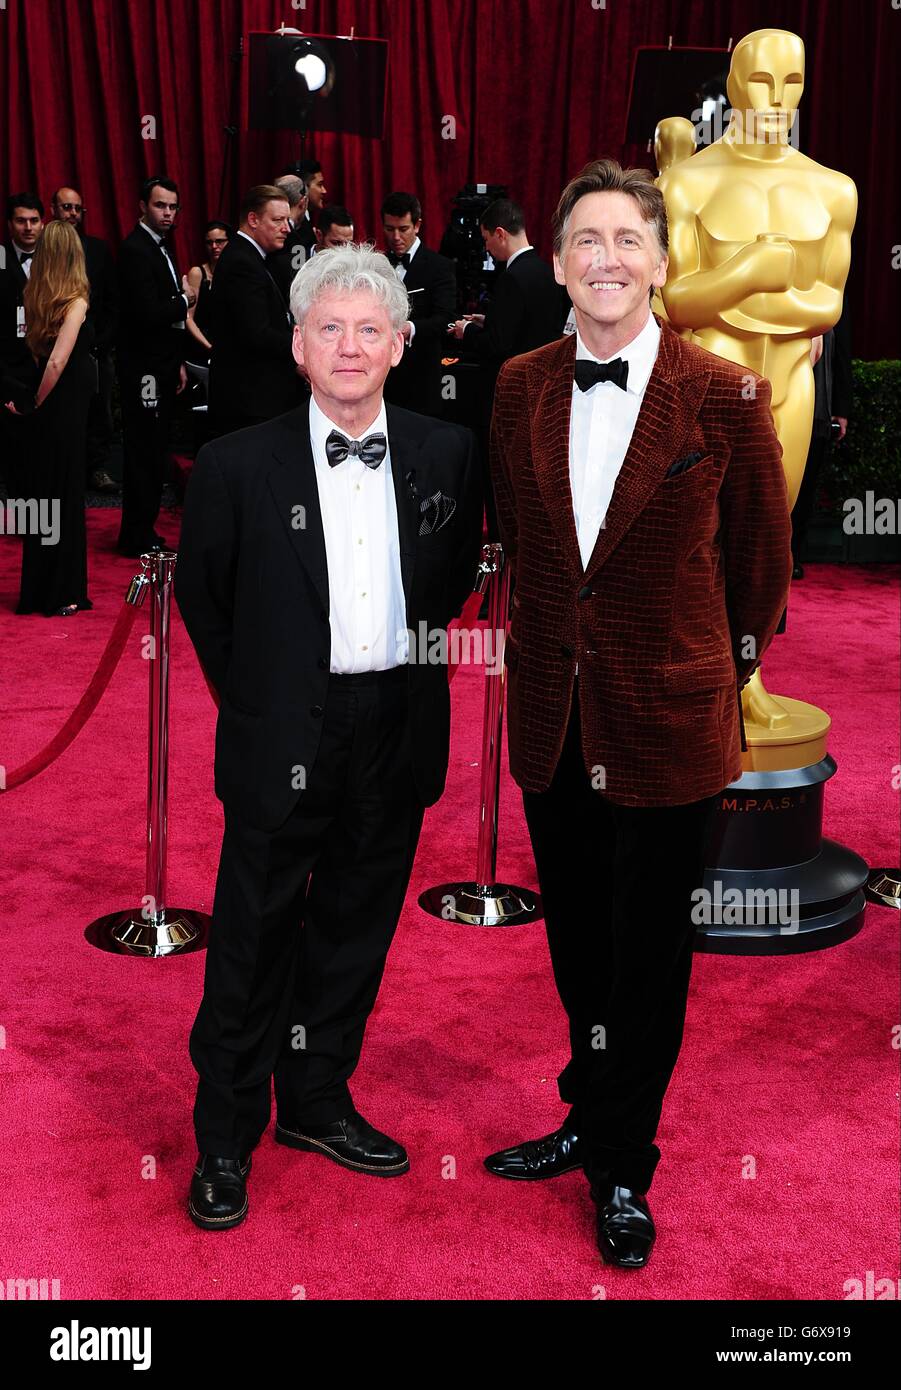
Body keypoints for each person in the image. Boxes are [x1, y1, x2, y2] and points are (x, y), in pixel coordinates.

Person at [487, 159, 793, 1268]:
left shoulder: (723, 392)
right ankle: (588, 1105)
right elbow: (525, 546)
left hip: (668, 722)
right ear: (559, 263)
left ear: (661, 264)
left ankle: (622, 1161)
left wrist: (709, 668)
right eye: (585, 241)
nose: (605, 259)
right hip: (554, 721)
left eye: (627, 240)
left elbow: (761, 571)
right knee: (578, 943)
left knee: (649, 958)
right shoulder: (519, 382)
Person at [175, 243, 482, 1231]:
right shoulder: (233, 464)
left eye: (370, 329)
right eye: (328, 328)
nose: (350, 346)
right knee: (254, 938)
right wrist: (263, 699)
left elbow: (450, 587)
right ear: (297, 345)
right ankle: (224, 1136)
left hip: (394, 724)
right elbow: (205, 600)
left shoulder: (445, 452)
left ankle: (314, 1099)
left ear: (400, 344)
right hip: (282, 727)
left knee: (355, 926)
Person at [450, 197, 565, 534]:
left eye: (486, 239)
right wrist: (489, 320)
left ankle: (501, 542)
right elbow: (530, 327)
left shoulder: (512, 277)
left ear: (500, 234)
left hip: (508, 397)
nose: (486, 248)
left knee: (501, 474)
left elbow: (498, 347)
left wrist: (467, 329)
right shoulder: (547, 272)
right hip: (543, 392)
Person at [3, 220, 95, 616]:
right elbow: (57, 361)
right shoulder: (76, 301)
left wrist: (31, 403)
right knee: (66, 497)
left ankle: (38, 590)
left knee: (43, 498)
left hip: (44, 412)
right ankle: (64, 593)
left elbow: (38, 355)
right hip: (61, 407)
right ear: (74, 255)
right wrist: (39, 400)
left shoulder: (34, 296)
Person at [115, 176, 195, 556]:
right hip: (143, 370)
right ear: (142, 207)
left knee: (154, 449)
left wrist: (176, 361)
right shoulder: (135, 250)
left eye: (173, 206)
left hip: (161, 364)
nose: (167, 213)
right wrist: (185, 298)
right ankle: (135, 534)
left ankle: (141, 528)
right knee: (144, 450)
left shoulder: (160, 246)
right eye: (161, 205)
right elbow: (148, 314)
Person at [206, 185, 300, 438]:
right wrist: (303, 347)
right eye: (278, 220)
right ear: (253, 220)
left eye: (288, 220)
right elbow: (256, 333)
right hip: (249, 400)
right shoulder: (242, 262)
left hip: (253, 396)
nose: (286, 228)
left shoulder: (252, 257)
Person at [50, 186, 119, 494]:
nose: (73, 214)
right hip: (53, 348)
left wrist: (100, 342)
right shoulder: (43, 249)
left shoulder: (98, 250)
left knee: (99, 409)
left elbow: (110, 302)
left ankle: (96, 467)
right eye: (67, 208)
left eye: (78, 208)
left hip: (95, 348)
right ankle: (61, 467)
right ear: (54, 210)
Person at [380, 191, 456, 418]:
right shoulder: (376, 264)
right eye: (389, 228)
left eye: (402, 229)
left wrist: (409, 329)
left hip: (422, 380)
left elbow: (446, 318)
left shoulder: (439, 266)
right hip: (383, 381)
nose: (395, 237)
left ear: (417, 225)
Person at [184, 219, 231, 364]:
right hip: (202, 346)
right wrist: (209, 346)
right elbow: (188, 318)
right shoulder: (197, 273)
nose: (214, 246)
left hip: (228, 347)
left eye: (219, 241)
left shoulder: (234, 273)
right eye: (209, 242)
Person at [268, 174, 311, 300]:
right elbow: (300, 287)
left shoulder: (263, 235)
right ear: (303, 202)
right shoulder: (300, 240)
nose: (284, 230)